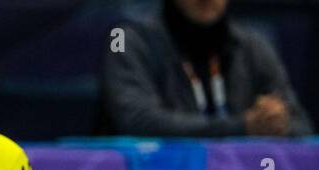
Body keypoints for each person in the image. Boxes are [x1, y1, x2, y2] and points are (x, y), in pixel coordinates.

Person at [100, 0, 313, 137]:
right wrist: (243, 127)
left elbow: (303, 128)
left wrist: (278, 123)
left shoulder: (253, 47)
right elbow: (137, 121)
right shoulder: (124, 39)